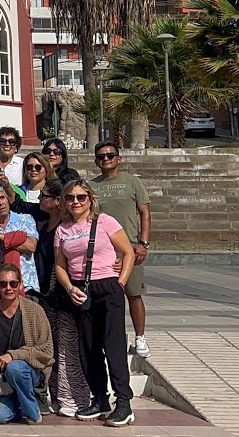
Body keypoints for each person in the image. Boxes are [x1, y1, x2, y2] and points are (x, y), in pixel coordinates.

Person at [54, 179, 136, 426]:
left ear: (90, 199)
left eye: (81, 197)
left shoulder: (105, 222)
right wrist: (69, 288)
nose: (76, 202)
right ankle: (99, 398)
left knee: (113, 345)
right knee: (88, 348)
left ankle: (124, 402)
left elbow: (128, 252)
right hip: (81, 289)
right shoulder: (62, 230)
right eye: (70, 197)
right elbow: (60, 265)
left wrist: (120, 282)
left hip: (107, 286)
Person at [0, 263, 54, 424]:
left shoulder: (35, 310)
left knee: (15, 368)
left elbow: (46, 350)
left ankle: (32, 413)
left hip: (29, 373)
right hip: (0, 379)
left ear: (20, 284)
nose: (8, 288)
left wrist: (14, 355)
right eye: (3, 284)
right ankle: (19, 402)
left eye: (13, 283)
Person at [91, 142, 153, 359]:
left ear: (119, 158)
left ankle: (140, 337)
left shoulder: (132, 182)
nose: (106, 159)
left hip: (130, 248)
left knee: (134, 294)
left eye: (110, 155)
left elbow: (145, 213)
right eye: (101, 156)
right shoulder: (91, 186)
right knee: (103, 297)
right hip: (102, 250)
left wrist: (143, 244)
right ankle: (104, 339)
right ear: (96, 161)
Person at [37, 181, 87, 417]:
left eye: (43, 196)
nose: (39, 199)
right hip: (46, 296)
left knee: (68, 346)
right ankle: (55, 394)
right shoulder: (43, 225)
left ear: (57, 201)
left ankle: (73, 398)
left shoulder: (69, 228)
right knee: (51, 347)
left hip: (65, 294)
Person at [0, 184, 40, 301]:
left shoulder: (25, 219)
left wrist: (3, 238)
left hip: (26, 289)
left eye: (2, 198)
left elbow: (31, 246)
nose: (0, 203)